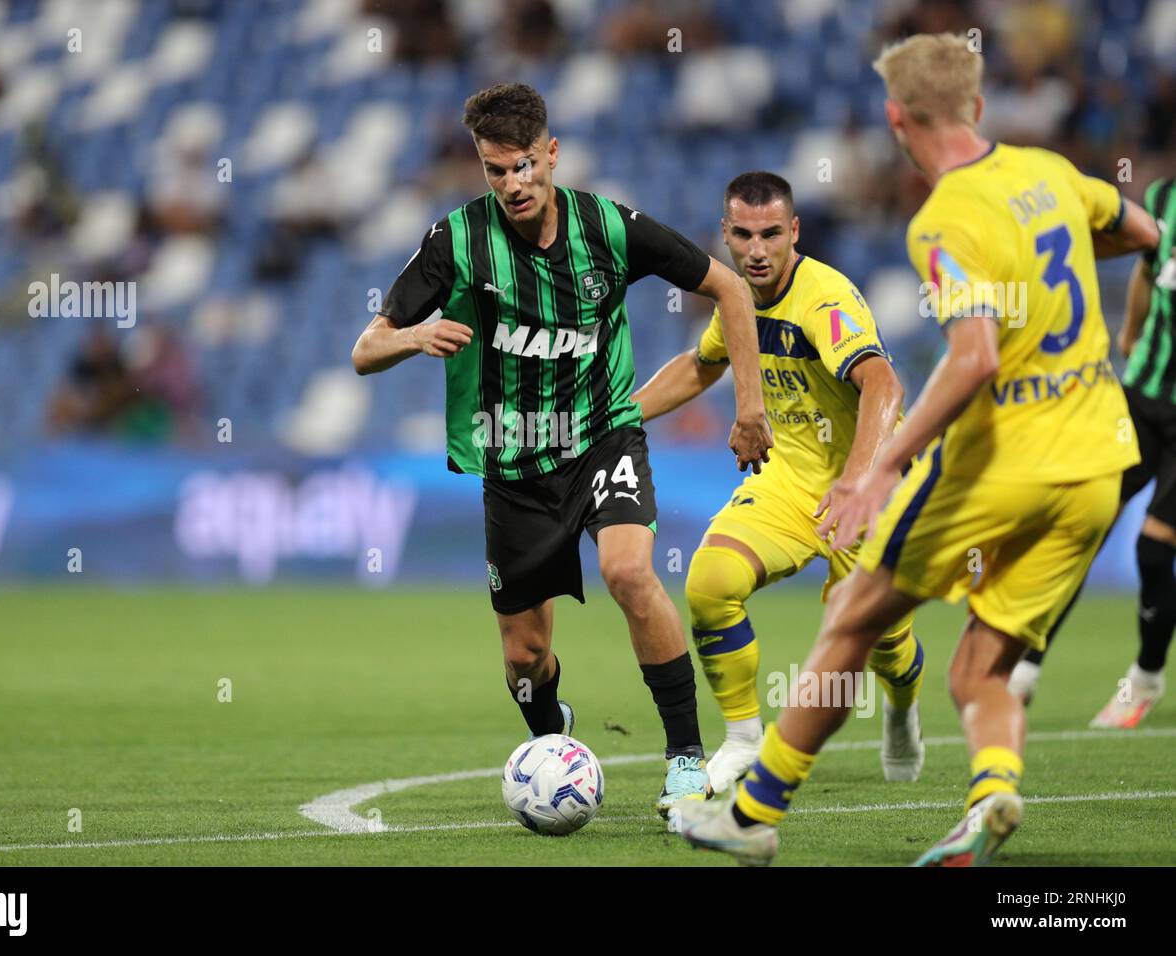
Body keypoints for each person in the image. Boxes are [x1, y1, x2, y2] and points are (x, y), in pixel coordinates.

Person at [674, 32, 1158, 866]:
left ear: (897, 120)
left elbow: (972, 359)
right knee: (980, 669)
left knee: (852, 620)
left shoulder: (944, 219)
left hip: (1007, 463)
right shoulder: (1050, 175)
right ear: (976, 106)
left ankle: (752, 816)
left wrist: (884, 466)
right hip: (1099, 468)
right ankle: (991, 792)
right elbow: (1146, 231)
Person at [352, 83, 772, 816]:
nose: (512, 184)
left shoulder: (609, 228)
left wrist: (749, 407)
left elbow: (730, 291)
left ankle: (684, 761)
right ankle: (552, 742)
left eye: (523, 167)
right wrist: (415, 336)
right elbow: (366, 349)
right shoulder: (457, 240)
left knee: (630, 573)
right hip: (513, 464)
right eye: (495, 170)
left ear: (551, 155)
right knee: (524, 656)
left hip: (602, 435)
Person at [632, 171, 925, 794]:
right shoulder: (736, 298)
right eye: (743, 235)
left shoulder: (825, 299)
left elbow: (884, 384)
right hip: (790, 477)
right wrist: (619, 415)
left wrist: (854, 484)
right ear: (725, 235)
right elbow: (699, 365)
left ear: (794, 232)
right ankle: (742, 742)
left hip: (869, 481)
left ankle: (901, 707)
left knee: (883, 644)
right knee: (711, 583)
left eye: (771, 234)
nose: (757, 250)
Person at [1009, 173, 1176, 728]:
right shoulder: (1161, 200)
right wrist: (1129, 337)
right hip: (1144, 396)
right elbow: (1147, 273)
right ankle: (1027, 664)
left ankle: (1148, 675)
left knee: (1154, 550)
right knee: (1085, 521)